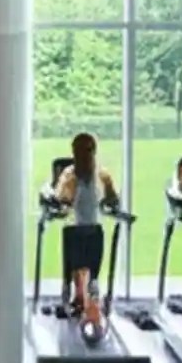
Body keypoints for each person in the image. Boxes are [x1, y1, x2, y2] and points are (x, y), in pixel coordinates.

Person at [55, 133, 119, 330]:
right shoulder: (85, 174)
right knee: (81, 256)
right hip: (84, 231)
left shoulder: (83, 174)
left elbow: (62, 199)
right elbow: (112, 199)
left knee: (79, 254)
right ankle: (83, 295)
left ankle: (83, 297)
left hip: (84, 231)